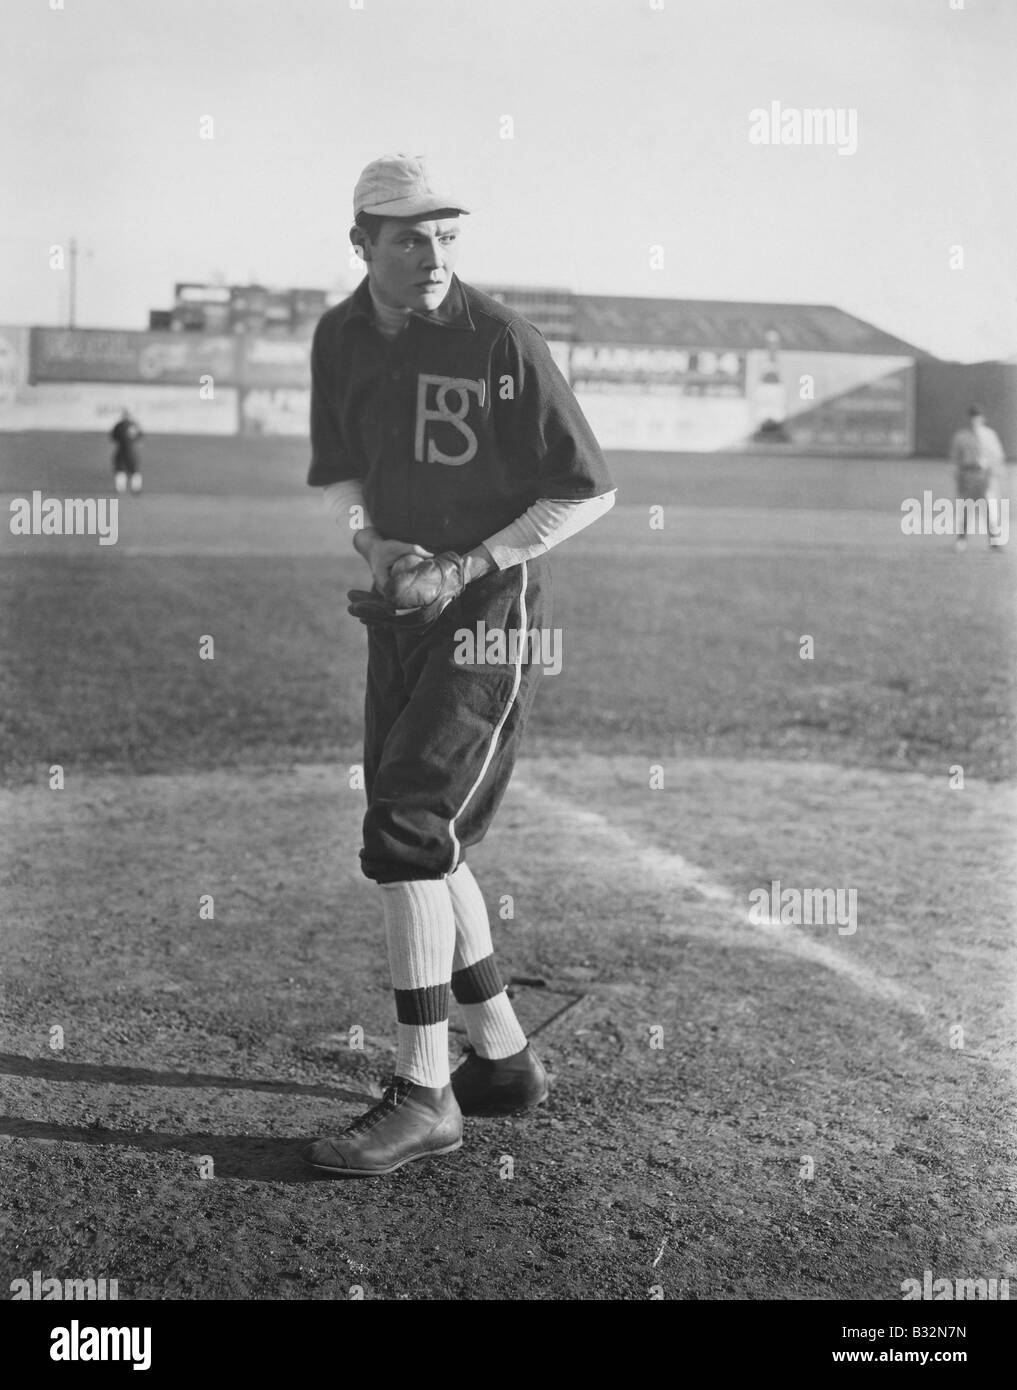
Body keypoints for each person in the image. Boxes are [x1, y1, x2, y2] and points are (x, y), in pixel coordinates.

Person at [302, 154, 615, 1177]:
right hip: (398, 614)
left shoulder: (497, 337)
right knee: (428, 836)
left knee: (404, 831)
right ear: (362, 244)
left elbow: (587, 489)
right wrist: (378, 549)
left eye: (447, 234)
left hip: (485, 613)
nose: (434, 254)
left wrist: (471, 563)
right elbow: (345, 477)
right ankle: (506, 1060)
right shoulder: (341, 337)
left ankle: (423, 1089)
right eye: (408, 237)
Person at [950, 404, 1007, 551]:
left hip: (985, 475)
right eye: (972, 417)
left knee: (990, 509)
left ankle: (994, 541)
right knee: (965, 509)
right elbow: (956, 460)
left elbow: (998, 457)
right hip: (967, 474)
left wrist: (994, 475)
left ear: (982, 418)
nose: (974, 420)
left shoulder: (989, 435)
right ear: (968, 418)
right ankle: (961, 540)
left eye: (977, 417)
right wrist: (958, 479)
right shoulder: (961, 436)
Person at [109, 409, 143, 494]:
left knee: (122, 470)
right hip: (131, 451)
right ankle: (135, 488)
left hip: (122, 450)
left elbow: (113, 437)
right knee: (133, 470)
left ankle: (121, 489)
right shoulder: (134, 425)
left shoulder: (119, 425)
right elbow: (140, 436)